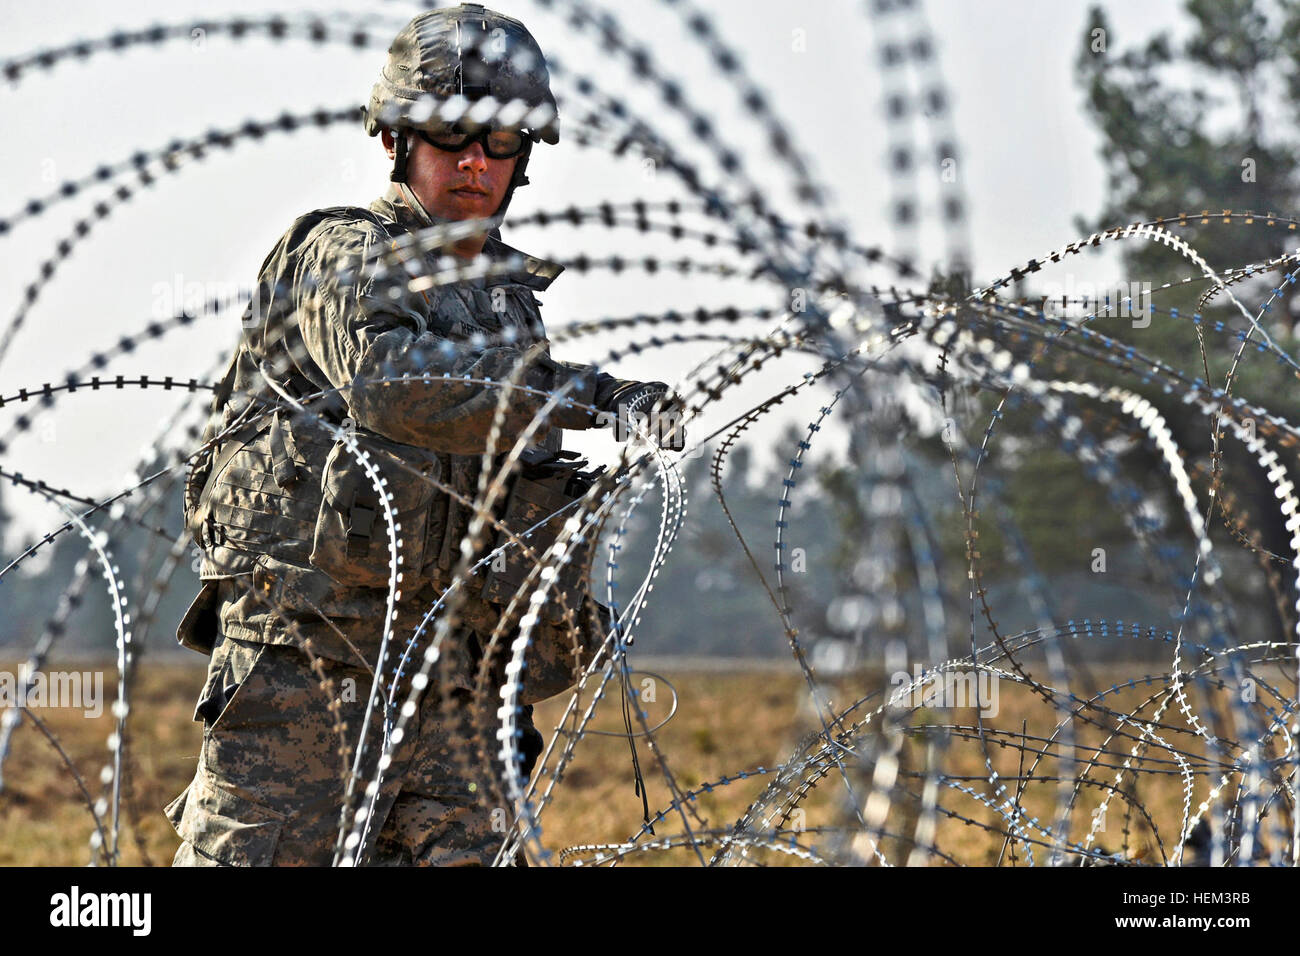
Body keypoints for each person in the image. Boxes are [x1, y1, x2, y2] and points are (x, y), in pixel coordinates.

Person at [164, 3, 684, 867]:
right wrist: (589, 397)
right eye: (450, 135)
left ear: (525, 157)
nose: (475, 161)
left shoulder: (507, 306)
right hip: (309, 677)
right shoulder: (335, 254)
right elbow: (391, 384)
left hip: (452, 690)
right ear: (397, 139)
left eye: (500, 140)